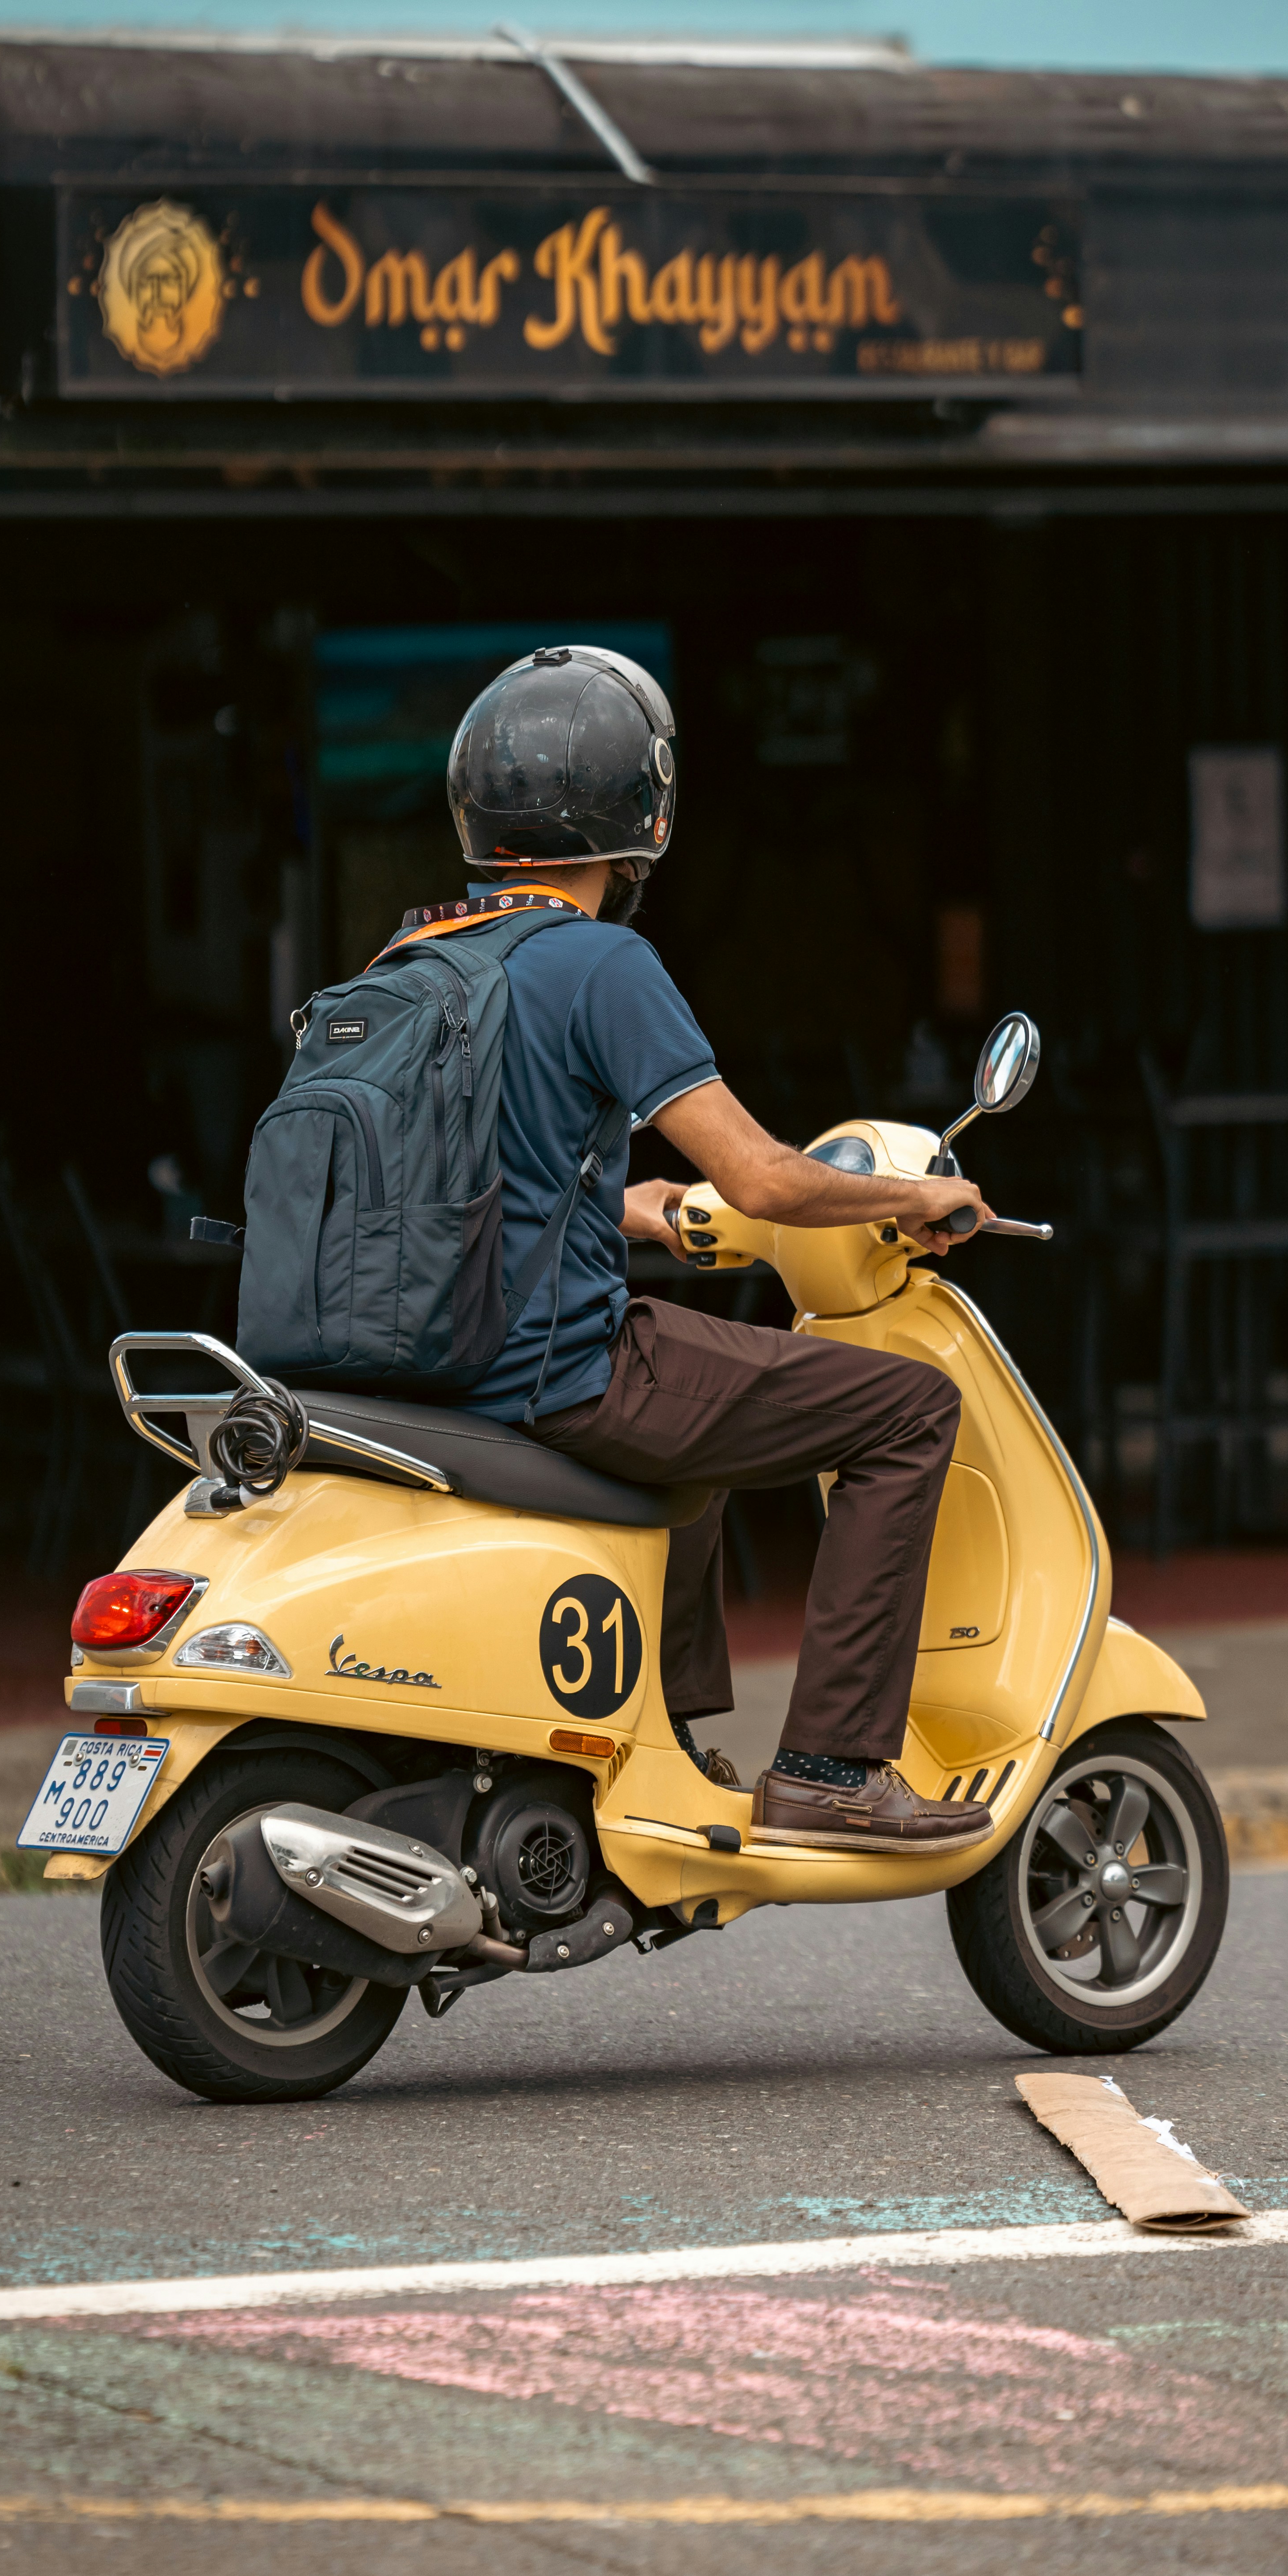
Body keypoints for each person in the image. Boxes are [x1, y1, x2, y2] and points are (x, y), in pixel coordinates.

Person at [388, 641, 995, 1855]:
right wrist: (904, 1202)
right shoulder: (601, 962)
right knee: (908, 1408)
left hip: (419, 1363)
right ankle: (829, 1767)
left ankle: (657, 1737)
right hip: (559, 1371)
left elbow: (452, 1184)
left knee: (705, 1435)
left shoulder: (411, 959)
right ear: (642, 811)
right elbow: (762, 1176)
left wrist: (633, 1208)